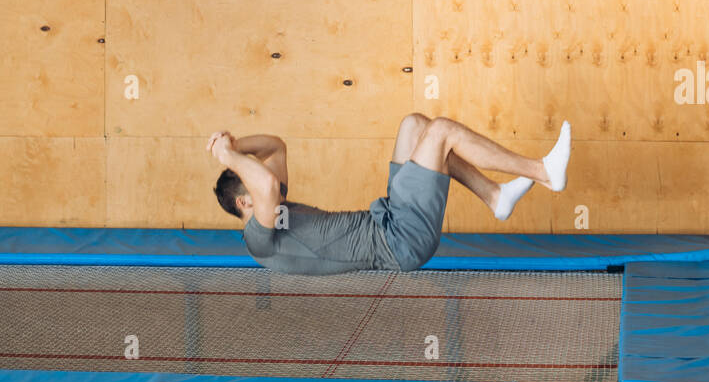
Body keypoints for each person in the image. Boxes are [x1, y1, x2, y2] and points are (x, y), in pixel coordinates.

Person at [208, 115, 572, 276]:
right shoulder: (259, 237)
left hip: (389, 219)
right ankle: (542, 172)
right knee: (441, 131)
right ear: (245, 202)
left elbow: (276, 147)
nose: (270, 178)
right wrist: (228, 157)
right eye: (254, 182)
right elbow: (267, 185)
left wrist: (237, 144)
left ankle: (495, 197)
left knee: (415, 125)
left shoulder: (276, 208)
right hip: (398, 241)